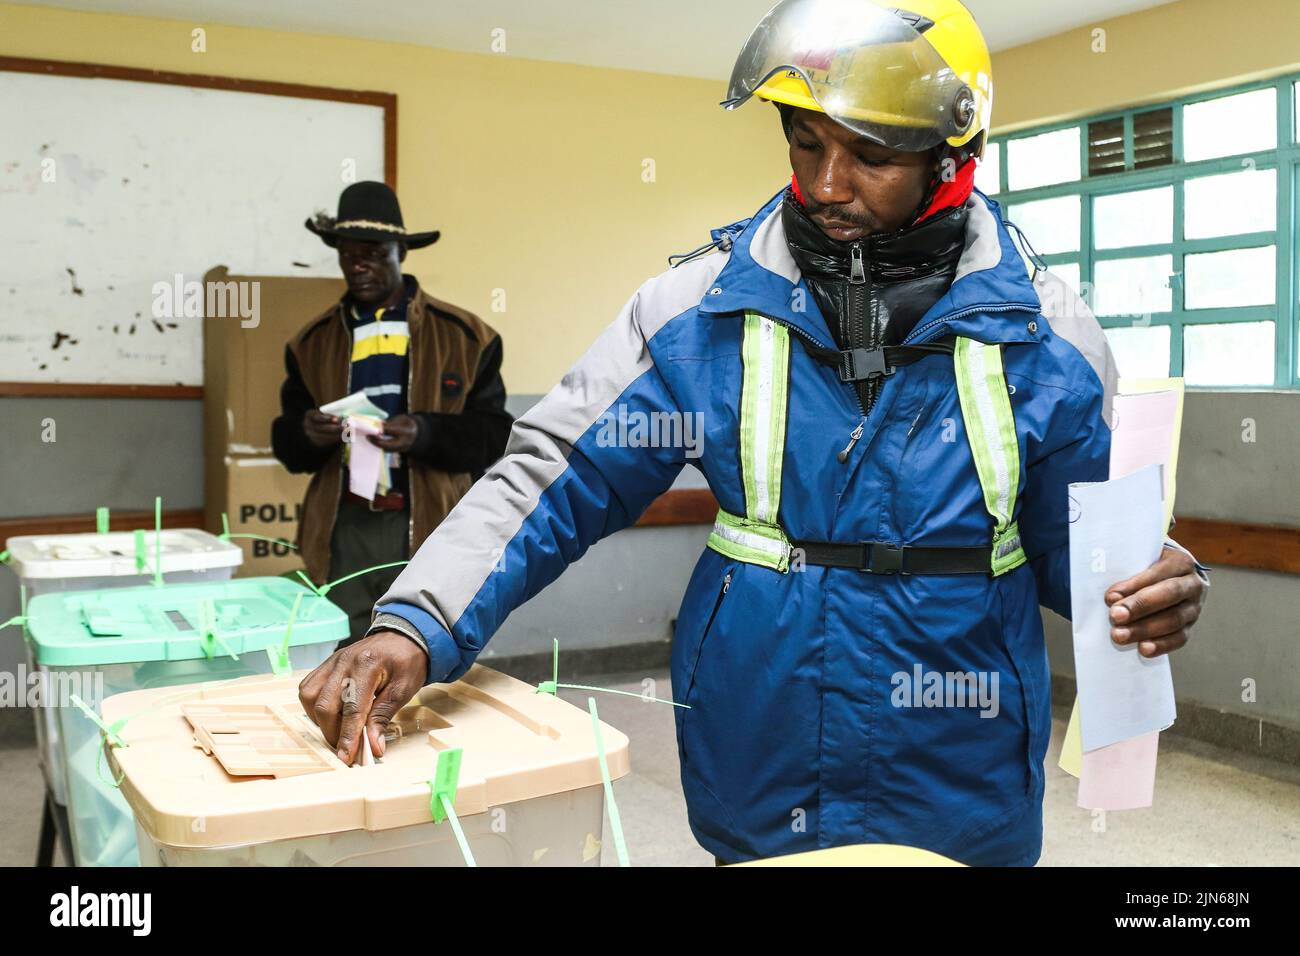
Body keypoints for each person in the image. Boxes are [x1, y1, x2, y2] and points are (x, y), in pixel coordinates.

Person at [299, 0, 1209, 865]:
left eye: (870, 155)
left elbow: (1079, 554)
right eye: (805, 141)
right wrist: (416, 622)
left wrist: (1151, 580)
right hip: (764, 750)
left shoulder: (1047, 339)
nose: (824, 183)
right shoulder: (700, 310)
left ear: (951, 153)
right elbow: (555, 474)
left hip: (960, 768)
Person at [272, 181, 513, 644]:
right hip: (346, 526)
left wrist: (425, 432)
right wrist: (306, 433)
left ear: (401, 251)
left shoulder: (467, 336)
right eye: (348, 254)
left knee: (429, 648)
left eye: (374, 252)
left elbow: (494, 437)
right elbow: (288, 446)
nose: (359, 265)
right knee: (342, 651)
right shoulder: (310, 342)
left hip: (434, 522)